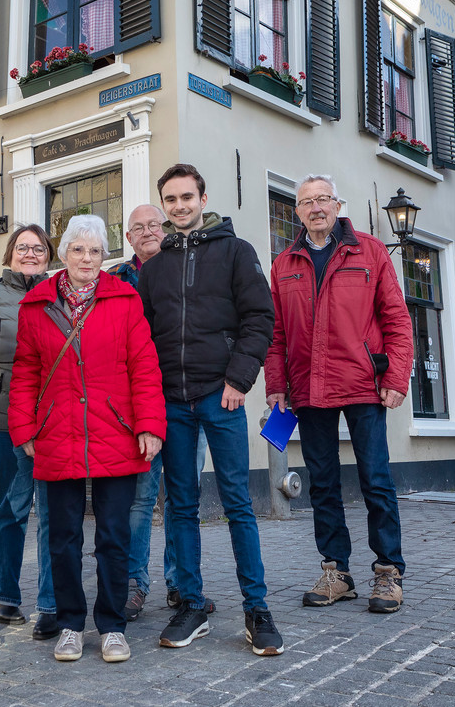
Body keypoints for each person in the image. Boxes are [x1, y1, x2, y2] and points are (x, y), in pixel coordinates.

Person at [136, 163, 283, 657]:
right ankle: (191, 605)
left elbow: (260, 319)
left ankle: (257, 609)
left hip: (221, 398)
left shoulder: (237, 252)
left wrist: (239, 379)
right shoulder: (153, 267)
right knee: (180, 505)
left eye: (186, 197)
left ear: (202, 198)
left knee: (238, 503)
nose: (179, 206)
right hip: (172, 404)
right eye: (170, 200)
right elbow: (144, 337)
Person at [9, 214, 166, 663]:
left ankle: (112, 625)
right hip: (57, 432)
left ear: (104, 257)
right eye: (78, 249)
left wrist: (150, 424)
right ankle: (71, 624)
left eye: (95, 251)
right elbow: (25, 373)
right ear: (63, 255)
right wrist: (25, 429)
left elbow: (144, 365)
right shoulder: (36, 306)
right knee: (62, 536)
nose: (86, 258)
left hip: (115, 431)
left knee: (115, 536)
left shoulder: (125, 298)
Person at [264, 174, 413, 614]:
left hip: (362, 384)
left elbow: (397, 321)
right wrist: (276, 387)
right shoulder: (283, 264)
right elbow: (275, 335)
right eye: (307, 202)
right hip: (308, 389)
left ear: (337, 204)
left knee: (376, 480)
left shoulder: (369, 251)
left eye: (323, 199)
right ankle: (337, 573)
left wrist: (395, 378)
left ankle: (388, 572)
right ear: (297, 211)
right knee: (323, 485)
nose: (316, 208)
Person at [114, 205, 213, 620]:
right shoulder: (116, 281)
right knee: (139, 499)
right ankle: (134, 583)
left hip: (188, 397)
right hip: (137, 405)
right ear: (129, 238)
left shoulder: (190, 266)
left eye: (155, 224)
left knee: (182, 496)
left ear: (167, 227)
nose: (148, 231)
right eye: (138, 227)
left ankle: (180, 583)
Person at [0, 224, 58, 640]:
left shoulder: (60, 294)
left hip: (51, 422)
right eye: (23, 247)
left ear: (48, 256)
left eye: (38, 248)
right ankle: (2, 592)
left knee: (52, 514)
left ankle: (50, 602)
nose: (30, 254)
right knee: (9, 509)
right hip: (2, 420)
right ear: (10, 254)